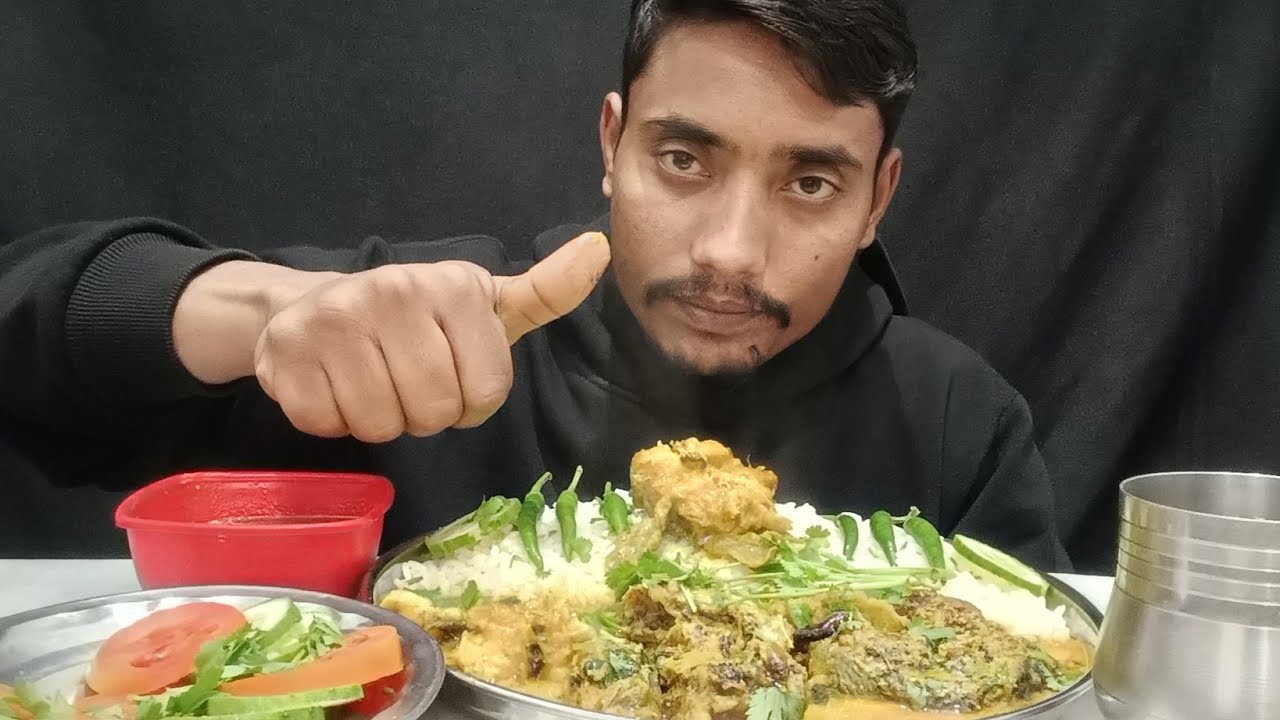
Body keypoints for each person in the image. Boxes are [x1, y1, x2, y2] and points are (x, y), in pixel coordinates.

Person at [0, 0, 1070, 570]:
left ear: (877, 200)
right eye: (682, 160)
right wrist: (255, 310)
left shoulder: (959, 424)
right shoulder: (433, 321)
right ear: (612, 145)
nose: (731, 252)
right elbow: (27, 332)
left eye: (810, 183)